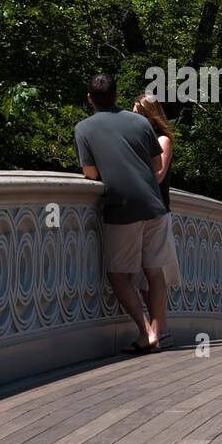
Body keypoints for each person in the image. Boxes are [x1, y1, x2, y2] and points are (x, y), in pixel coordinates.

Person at [74, 73, 170, 355]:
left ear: (90, 98)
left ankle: (147, 332)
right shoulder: (141, 122)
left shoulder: (84, 128)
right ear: (116, 95)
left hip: (122, 206)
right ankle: (156, 330)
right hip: (154, 204)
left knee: (119, 276)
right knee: (154, 271)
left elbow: (90, 174)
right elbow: (155, 163)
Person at [131, 93, 181, 348]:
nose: (134, 117)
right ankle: (155, 328)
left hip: (158, 210)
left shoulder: (163, 140)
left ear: (151, 116)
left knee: (154, 271)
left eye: (139, 113)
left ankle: (158, 329)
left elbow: (159, 175)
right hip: (140, 211)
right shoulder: (139, 141)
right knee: (142, 276)